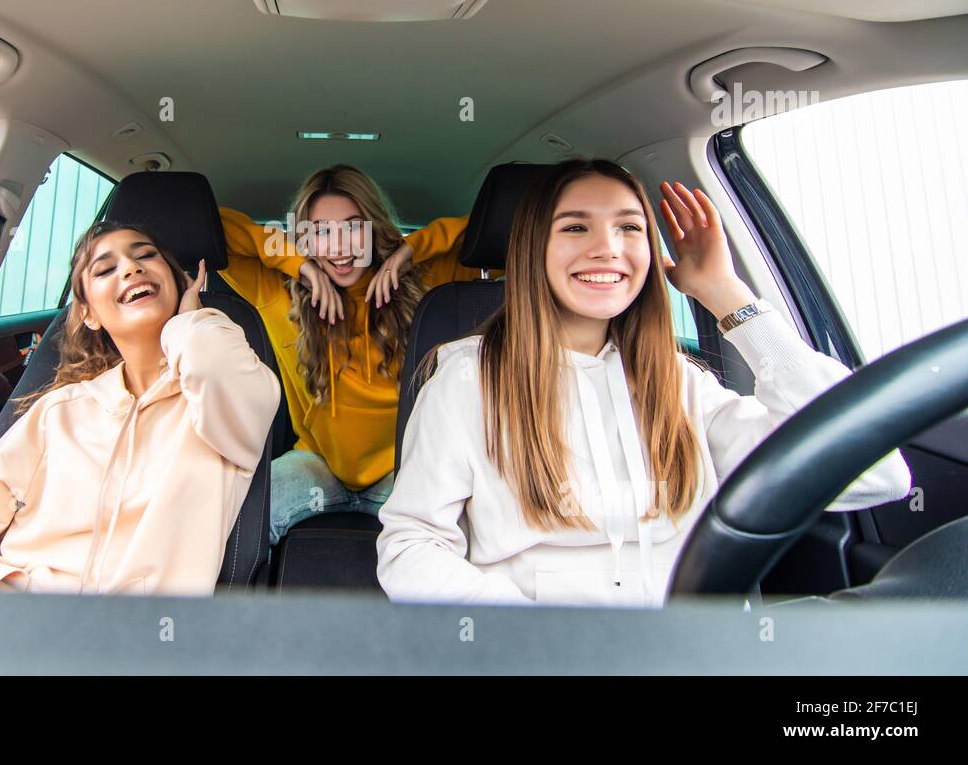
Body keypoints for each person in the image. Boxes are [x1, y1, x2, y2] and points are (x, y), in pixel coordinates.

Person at [377, 158, 911, 606]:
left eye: (629, 227)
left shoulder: (679, 382)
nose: (607, 248)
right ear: (532, 246)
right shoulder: (467, 378)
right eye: (575, 226)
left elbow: (875, 475)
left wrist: (726, 295)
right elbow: (411, 548)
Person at [0, 221, 280, 595]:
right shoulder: (56, 414)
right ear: (87, 314)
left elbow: (210, 360)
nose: (130, 267)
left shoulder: (226, 399)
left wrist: (191, 317)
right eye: (105, 269)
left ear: (179, 284)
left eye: (145, 256)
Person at [218, 164, 497, 545]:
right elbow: (210, 225)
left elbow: (495, 230)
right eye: (320, 232)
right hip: (317, 466)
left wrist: (408, 251)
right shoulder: (276, 288)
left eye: (353, 227)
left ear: (374, 229)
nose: (339, 247)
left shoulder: (426, 281)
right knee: (232, 518)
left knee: (472, 527)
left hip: (404, 469)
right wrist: (298, 267)